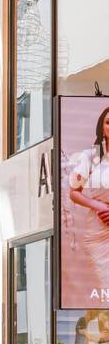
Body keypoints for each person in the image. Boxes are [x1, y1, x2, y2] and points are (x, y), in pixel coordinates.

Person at [68, 106, 109, 301]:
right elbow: (74, 193)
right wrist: (99, 206)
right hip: (98, 230)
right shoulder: (91, 156)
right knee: (104, 288)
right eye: (108, 122)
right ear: (102, 127)